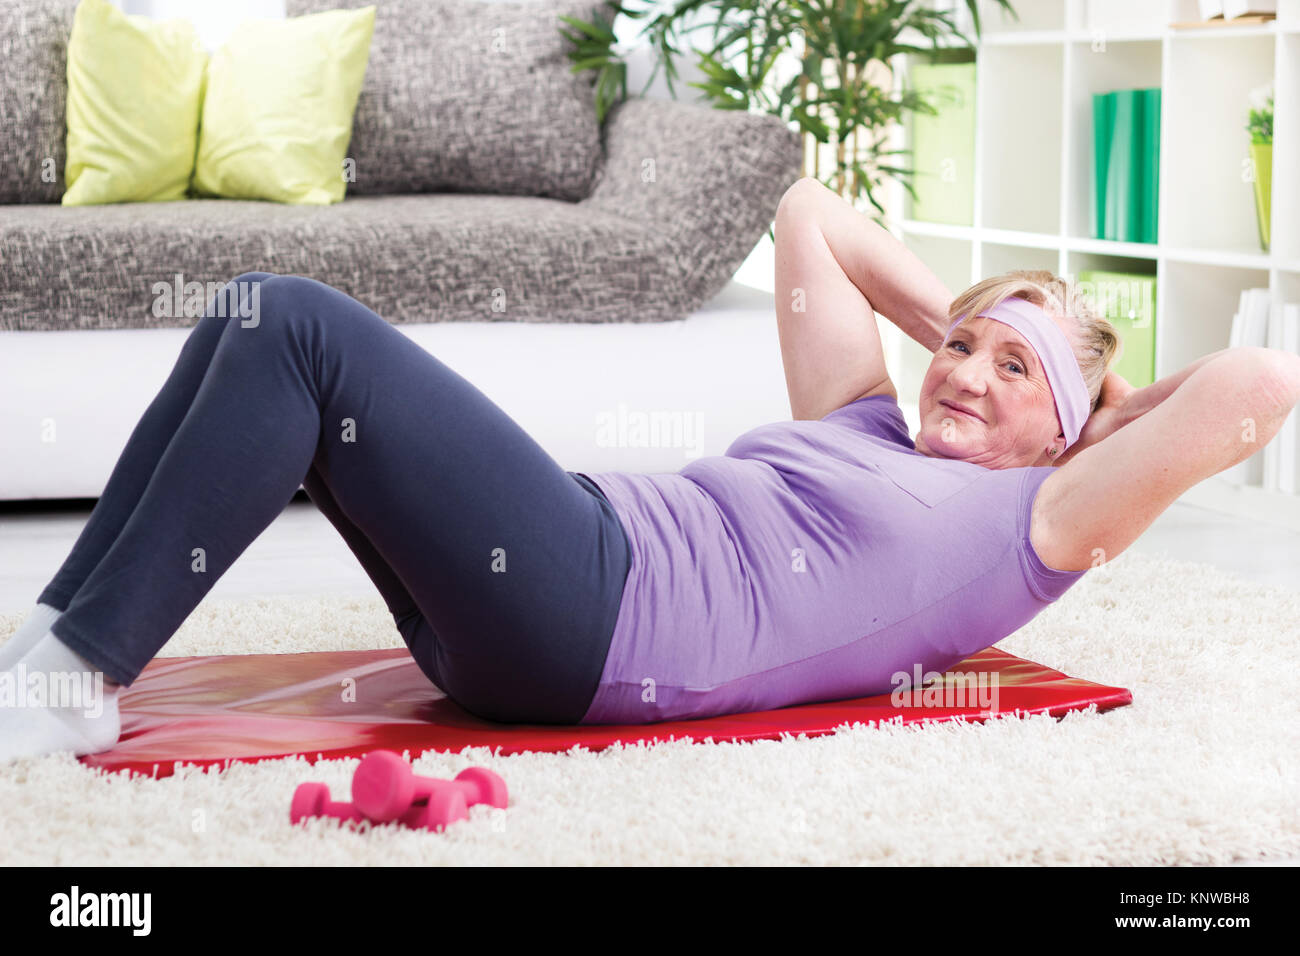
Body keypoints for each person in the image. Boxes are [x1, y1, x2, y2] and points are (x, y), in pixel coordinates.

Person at [3, 180, 1298, 761]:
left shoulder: (1036, 519)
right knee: (247, 313)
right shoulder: (867, 423)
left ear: (1070, 435)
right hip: (553, 573)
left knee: (292, 323)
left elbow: (1260, 387)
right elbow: (811, 218)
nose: (967, 372)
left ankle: (78, 677)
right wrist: (967, 328)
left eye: (1017, 374)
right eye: (964, 347)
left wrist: (1104, 411)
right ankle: (61, 641)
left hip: (592, 623)